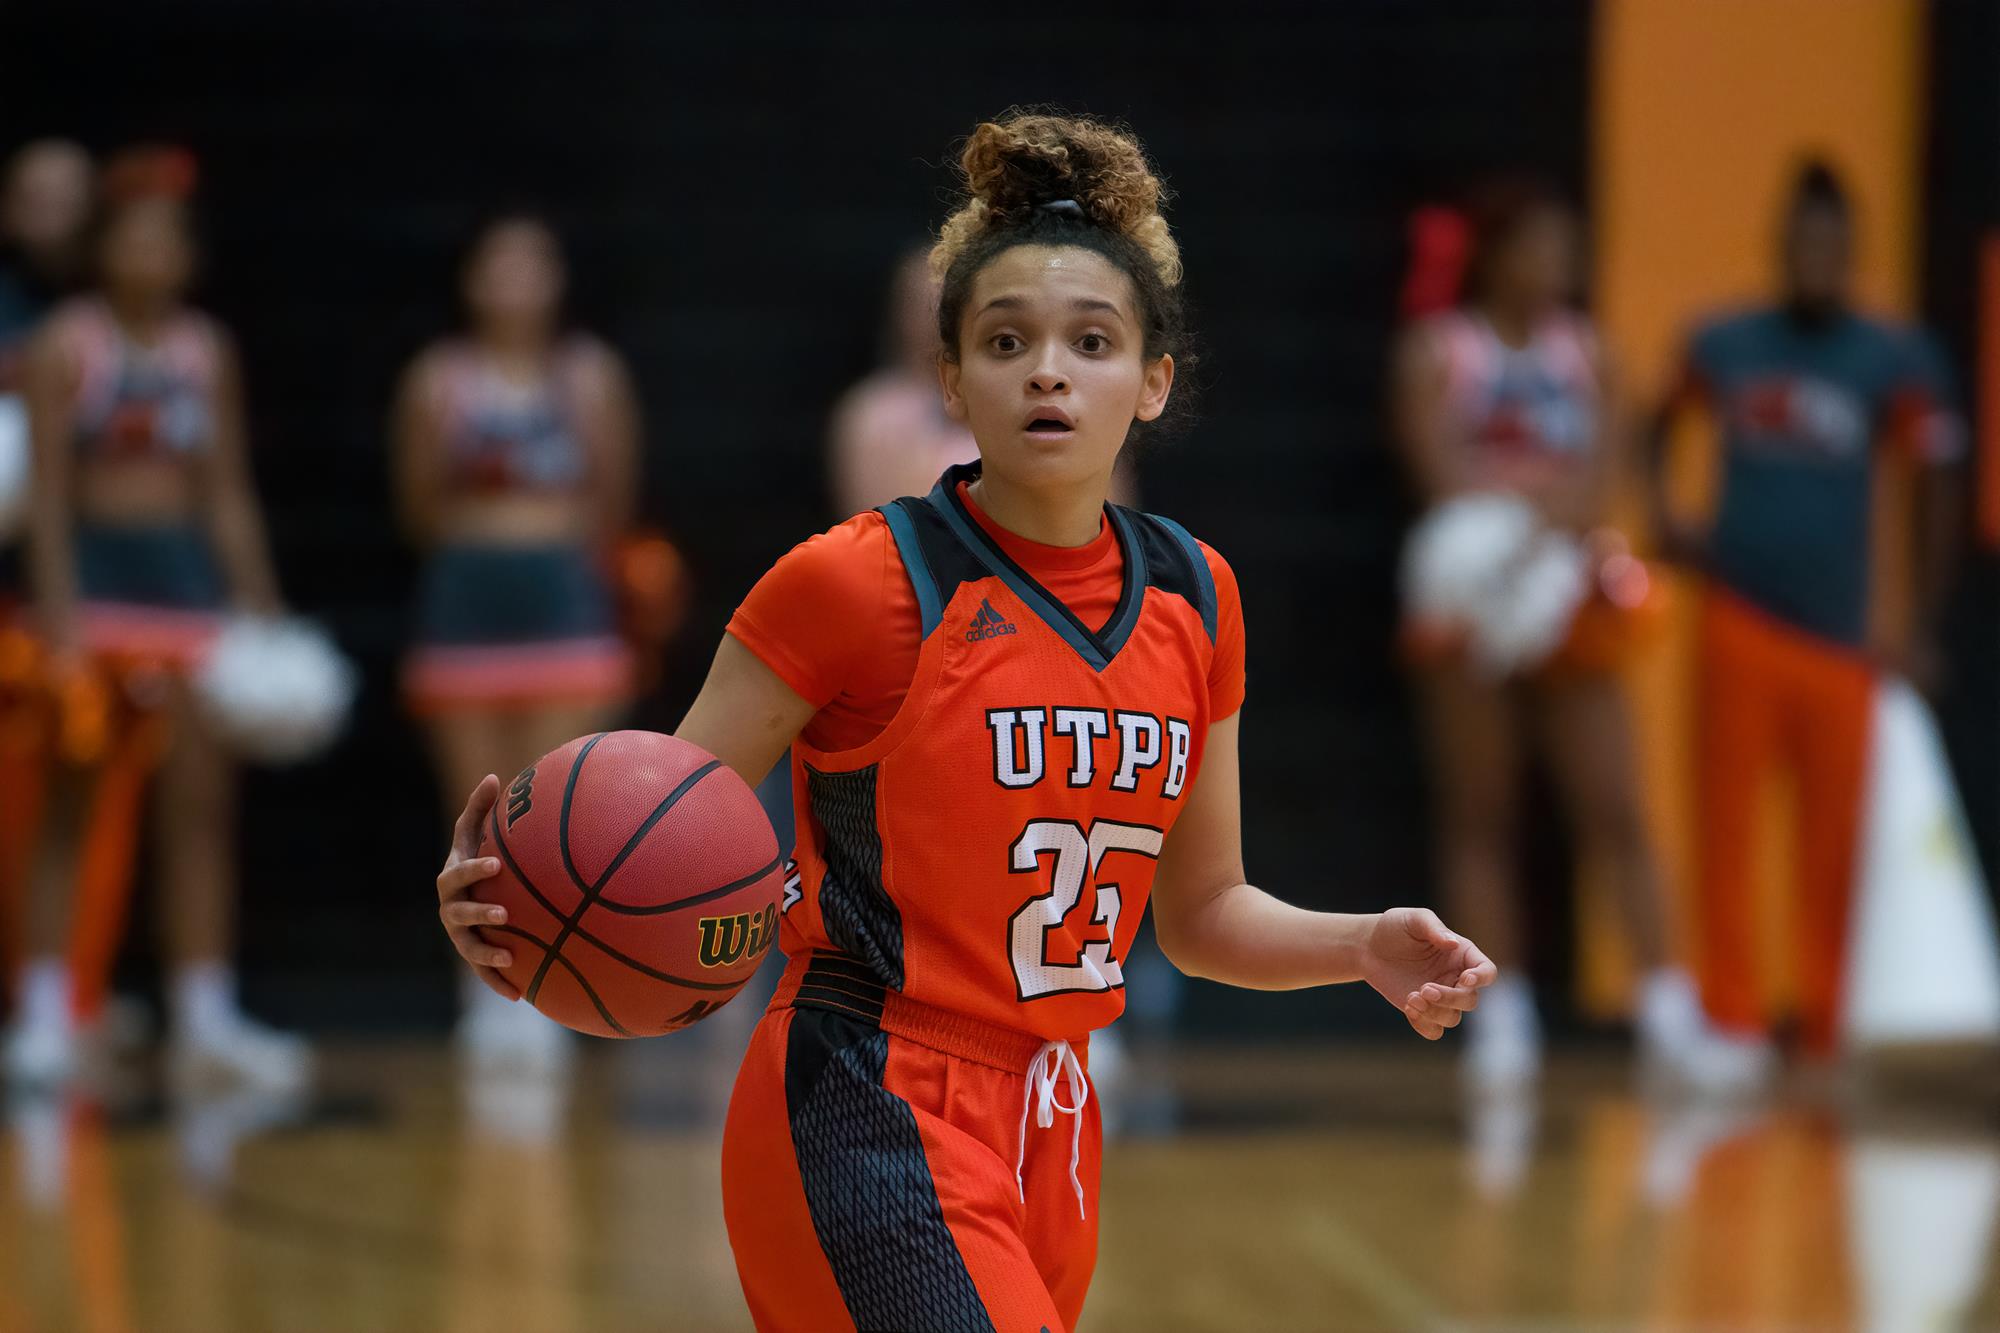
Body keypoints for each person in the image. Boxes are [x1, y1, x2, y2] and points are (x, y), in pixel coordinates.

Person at [437, 110, 1497, 1332]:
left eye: (1090, 341)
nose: (1047, 368)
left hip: (1055, 1117)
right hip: (863, 1094)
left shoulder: (1198, 597)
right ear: (951, 378)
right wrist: (515, 902)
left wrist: (1359, 944)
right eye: (1006, 340)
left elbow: (1201, 914)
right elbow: (649, 827)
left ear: (1152, 381)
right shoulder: (857, 584)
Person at [1390, 180, 1753, 1091]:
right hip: (1472, 591)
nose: (1558, 267)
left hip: (1567, 592)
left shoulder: (1588, 352)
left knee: (1616, 807)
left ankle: (1671, 1022)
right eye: (1540, 247)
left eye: (1569, 250)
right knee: (1483, 811)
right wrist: (1520, 515)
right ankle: (1495, 1022)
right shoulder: (1441, 350)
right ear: (1497, 253)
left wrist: (1537, 512)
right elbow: (1440, 470)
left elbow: (1604, 476)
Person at [4, 146, 308, 1090]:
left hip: (188, 606)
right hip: (93, 604)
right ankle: (47, 1012)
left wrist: (260, 611)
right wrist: (54, 620)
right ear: (103, 249)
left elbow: (225, 494)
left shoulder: (204, 351)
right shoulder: (66, 344)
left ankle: (206, 1015)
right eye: (130, 237)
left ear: (187, 255)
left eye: (165, 240)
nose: (149, 255)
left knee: (199, 813)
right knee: (74, 810)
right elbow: (47, 496)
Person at [1647, 160, 1963, 1064]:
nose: (1817, 255)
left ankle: (1826, 1022)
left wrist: (1919, 619)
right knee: (1727, 833)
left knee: (1835, 851)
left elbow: (1939, 476)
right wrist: (1669, 514)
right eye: (1803, 237)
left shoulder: (1892, 358)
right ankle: (1733, 1020)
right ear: (1784, 245)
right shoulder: (1726, 343)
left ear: (1853, 250)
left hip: (1841, 636)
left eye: (1834, 239)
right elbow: (1657, 420)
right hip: (1740, 616)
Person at [395, 214, 641, 1072]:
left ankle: (550, 985)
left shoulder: (589, 376)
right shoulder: (438, 379)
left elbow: (613, 499)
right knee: (474, 808)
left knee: (556, 811)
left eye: (530, 263)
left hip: (566, 608)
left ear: (557, 279)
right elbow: (419, 504)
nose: (513, 281)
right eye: (496, 264)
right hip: (466, 608)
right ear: (469, 279)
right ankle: (484, 989)